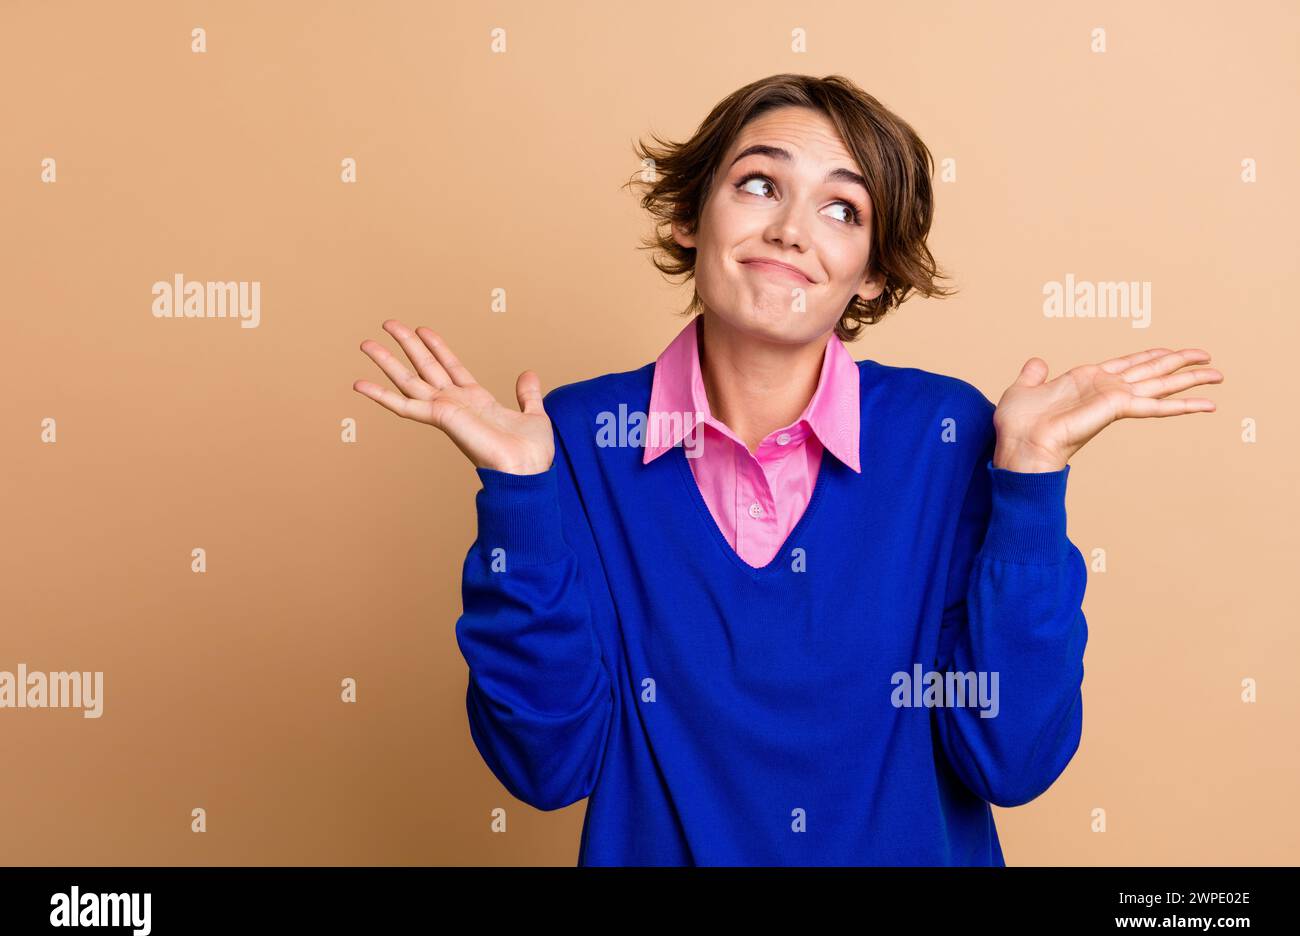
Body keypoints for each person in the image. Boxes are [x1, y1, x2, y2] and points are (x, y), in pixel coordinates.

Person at [353, 74, 1222, 865]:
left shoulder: (947, 436)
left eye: (843, 210)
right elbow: (547, 766)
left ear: (875, 274)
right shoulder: (574, 441)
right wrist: (521, 500)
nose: (790, 229)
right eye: (759, 184)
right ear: (690, 216)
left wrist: (1028, 485)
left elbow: (1012, 757)